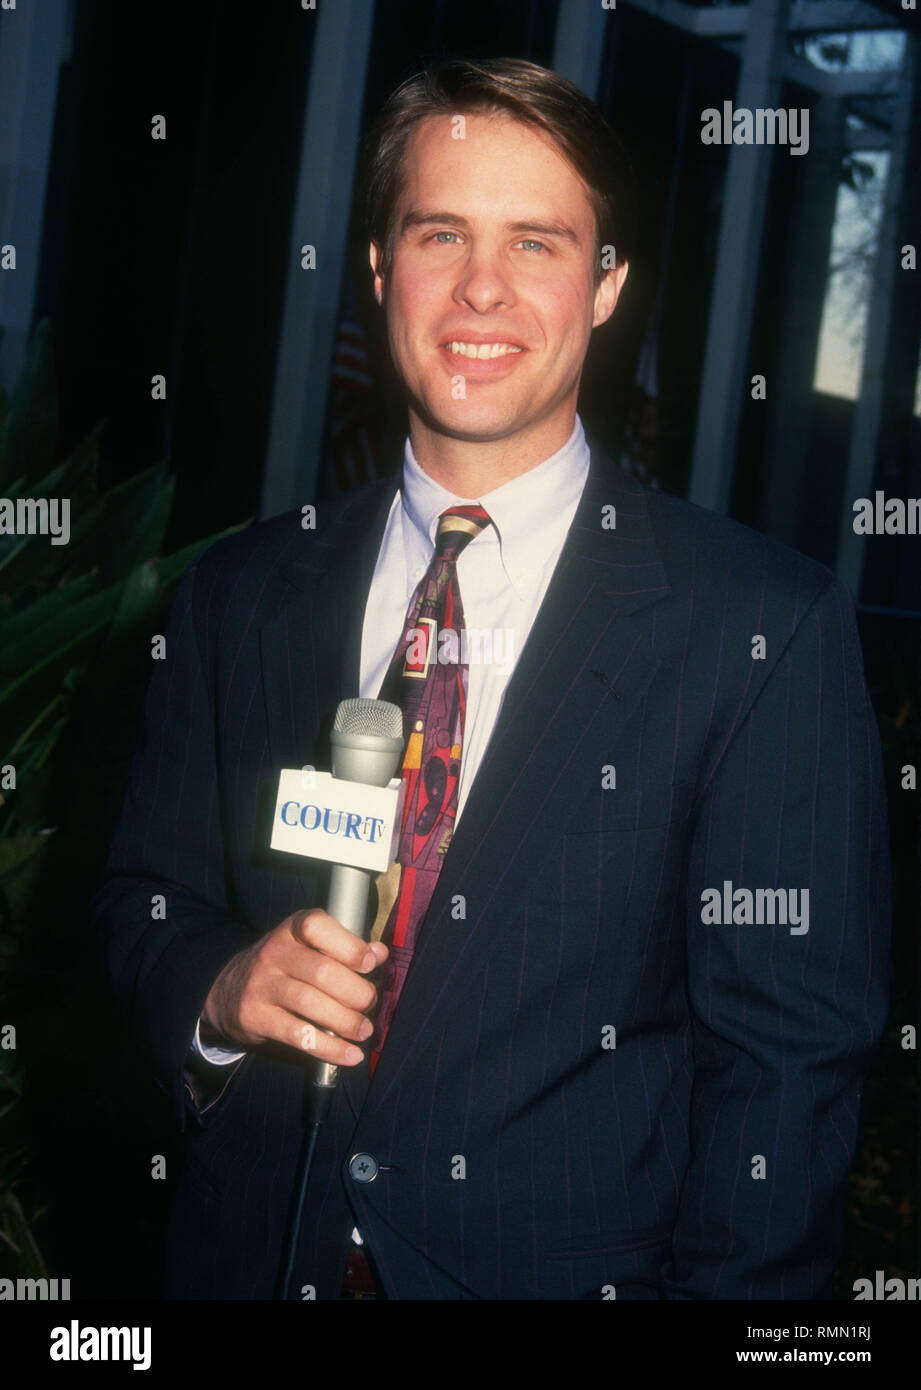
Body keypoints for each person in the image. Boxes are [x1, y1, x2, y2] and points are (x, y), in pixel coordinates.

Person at [91, 57, 891, 1300]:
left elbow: (782, 1078)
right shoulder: (238, 595)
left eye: (537, 242)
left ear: (609, 284)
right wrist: (219, 986)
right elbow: (143, 899)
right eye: (442, 231)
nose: (482, 288)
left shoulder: (761, 629)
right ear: (375, 268)